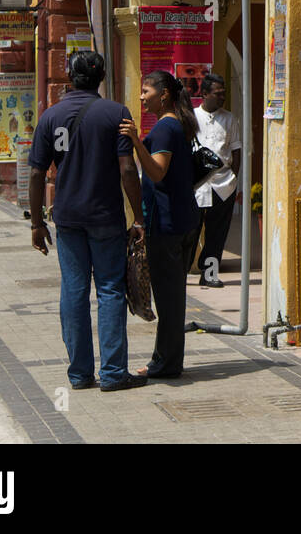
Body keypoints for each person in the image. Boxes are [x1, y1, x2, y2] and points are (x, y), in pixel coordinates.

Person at [28, 51, 148, 392]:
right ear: (101, 77)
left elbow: (36, 173)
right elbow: (128, 169)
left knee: (74, 291)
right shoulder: (116, 113)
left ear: (70, 76)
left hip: (67, 218)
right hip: (106, 216)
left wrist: (36, 223)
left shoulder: (50, 117)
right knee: (110, 290)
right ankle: (113, 373)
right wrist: (139, 217)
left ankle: (80, 374)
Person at [120, 70, 200, 380]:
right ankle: (166, 360)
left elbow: (157, 172)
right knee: (173, 296)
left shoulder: (166, 128)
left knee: (168, 299)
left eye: (146, 91)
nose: (142, 97)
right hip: (180, 220)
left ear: (163, 94)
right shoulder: (176, 124)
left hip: (168, 225)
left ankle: (166, 364)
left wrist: (136, 141)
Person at [192, 73, 242, 289]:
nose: (222, 97)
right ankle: (182, 271)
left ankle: (209, 273)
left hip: (223, 185)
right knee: (190, 229)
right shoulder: (191, 117)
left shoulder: (230, 119)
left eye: (224, 93)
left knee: (217, 233)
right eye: (218, 93)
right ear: (204, 94)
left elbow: (236, 151)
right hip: (196, 185)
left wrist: (233, 178)